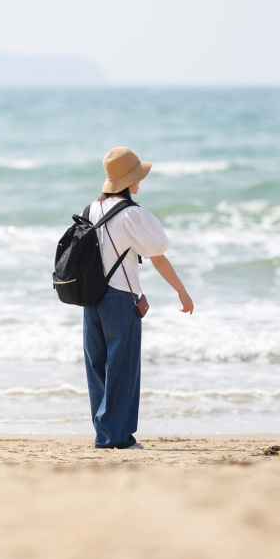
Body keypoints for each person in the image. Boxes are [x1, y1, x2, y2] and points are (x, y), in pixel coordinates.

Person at [83, 147, 194, 450]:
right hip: (119, 298)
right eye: (137, 177)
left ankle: (104, 434)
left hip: (91, 298)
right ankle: (118, 438)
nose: (140, 182)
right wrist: (181, 290)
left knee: (99, 367)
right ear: (128, 181)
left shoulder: (92, 208)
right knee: (123, 367)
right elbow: (157, 255)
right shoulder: (132, 214)